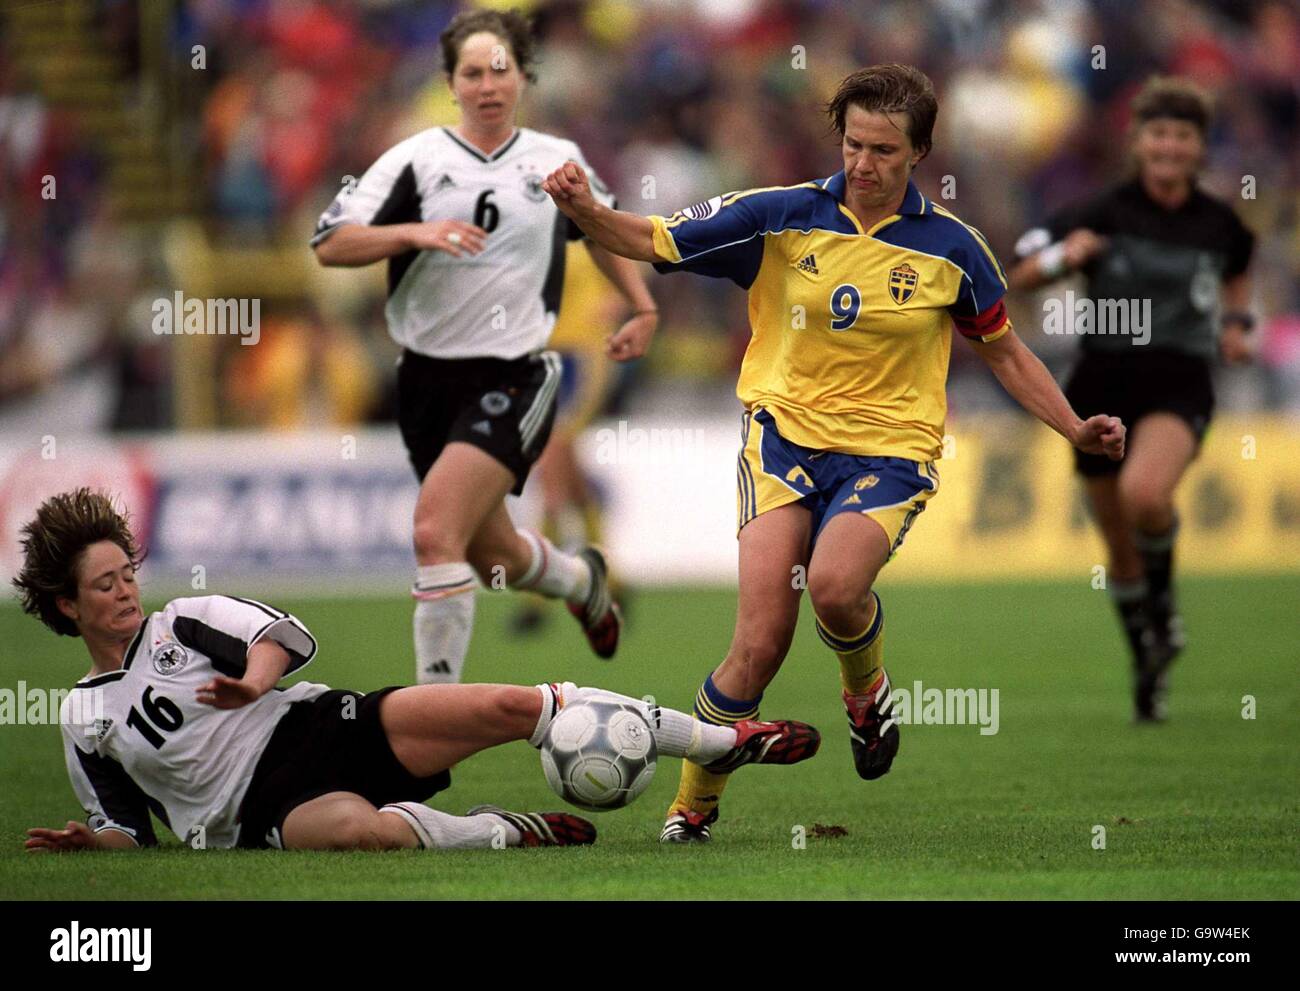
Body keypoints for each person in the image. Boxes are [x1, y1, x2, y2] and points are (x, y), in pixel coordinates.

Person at [544, 63, 1126, 843]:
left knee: (835, 586)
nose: (863, 163)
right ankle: (693, 807)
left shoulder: (954, 249)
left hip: (889, 456)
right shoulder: (781, 216)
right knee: (756, 647)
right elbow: (653, 240)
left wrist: (1074, 425)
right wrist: (585, 208)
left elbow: (1006, 352)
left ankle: (865, 690)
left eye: (884, 149)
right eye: (853, 143)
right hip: (782, 443)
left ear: (919, 150)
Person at [16, 489, 819, 853]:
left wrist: (255, 683)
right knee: (361, 834)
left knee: (513, 703)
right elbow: (129, 829)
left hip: (319, 726)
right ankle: (506, 830)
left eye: (127, 572)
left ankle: (714, 740)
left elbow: (283, 636)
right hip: (256, 817)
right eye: (104, 584)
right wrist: (94, 841)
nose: (125, 590)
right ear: (64, 606)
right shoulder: (84, 720)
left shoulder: (181, 621)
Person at [311, 8, 659, 685]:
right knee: (489, 554)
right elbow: (330, 243)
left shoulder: (556, 160)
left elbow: (603, 227)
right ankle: (581, 580)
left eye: (501, 70)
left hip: (515, 373)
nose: (488, 84)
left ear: (524, 77)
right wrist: (413, 234)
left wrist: (642, 306)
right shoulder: (413, 161)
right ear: (449, 81)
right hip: (425, 384)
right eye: (471, 72)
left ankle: (431, 713)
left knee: (433, 531)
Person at [1008, 77, 1255, 722]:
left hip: (1179, 379)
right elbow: (1020, 275)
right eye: (1159, 134)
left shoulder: (1219, 223)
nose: (1170, 146)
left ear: (1199, 148)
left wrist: (1235, 327)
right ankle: (1147, 665)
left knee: (1148, 496)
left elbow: (1238, 276)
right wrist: (1067, 257)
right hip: (1100, 383)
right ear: (1138, 143)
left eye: (1183, 135)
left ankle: (1166, 612)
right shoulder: (1100, 211)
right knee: (1118, 547)